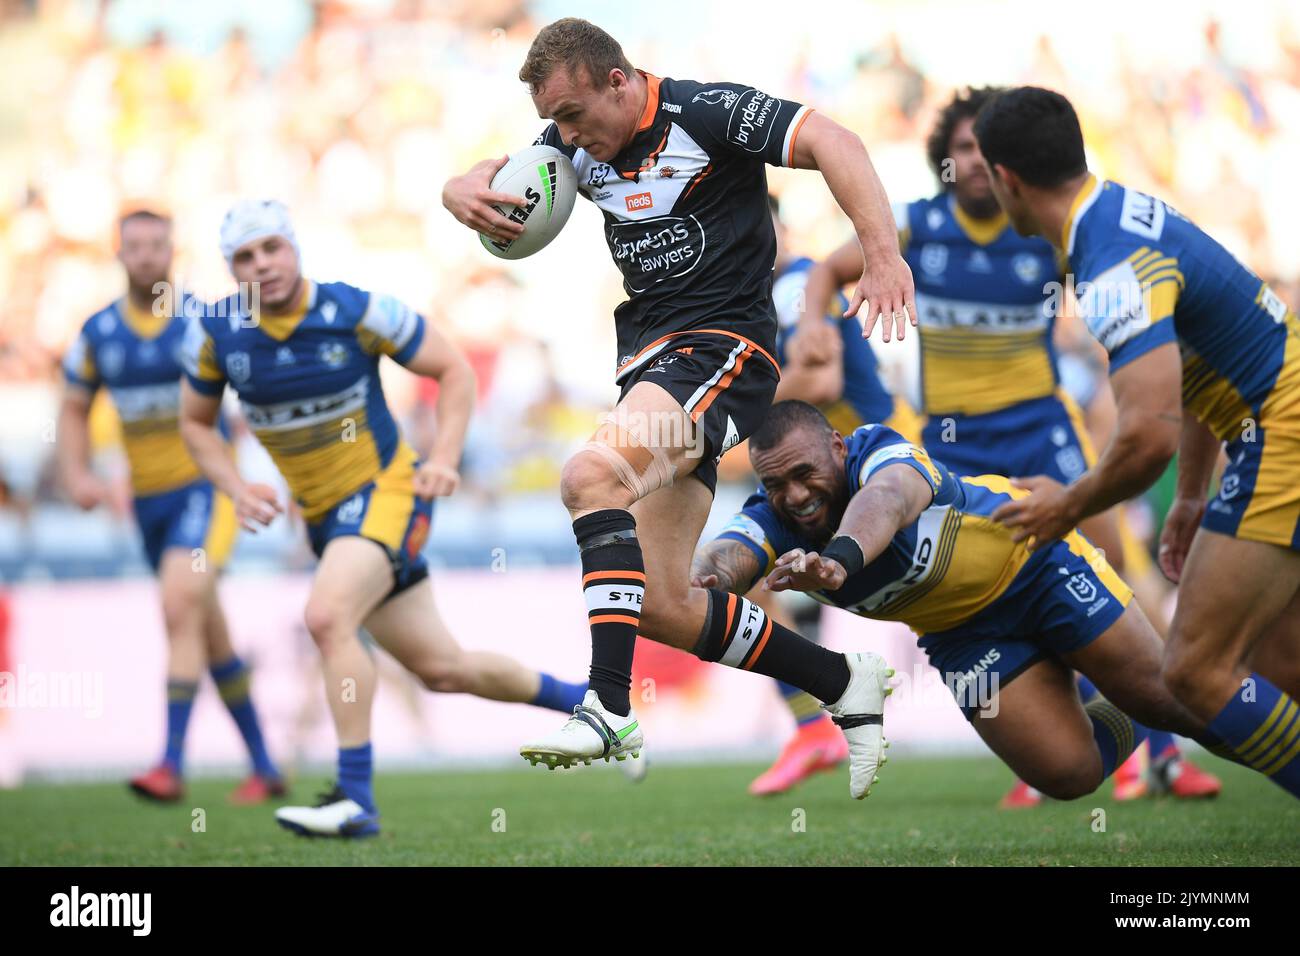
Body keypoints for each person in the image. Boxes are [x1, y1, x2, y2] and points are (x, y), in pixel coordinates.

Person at [442, 18, 915, 798]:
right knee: (662, 602)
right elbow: (495, 171)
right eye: (553, 122)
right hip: (654, 366)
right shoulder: (573, 143)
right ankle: (841, 680)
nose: (562, 136)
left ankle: (607, 705)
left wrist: (881, 253)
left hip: (722, 350)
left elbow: (836, 140)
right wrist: (456, 187)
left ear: (618, 82)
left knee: (590, 478)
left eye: (572, 115)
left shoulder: (706, 113)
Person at [803, 87, 1218, 807]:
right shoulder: (918, 228)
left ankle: (1160, 756)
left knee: (1113, 571)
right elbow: (823, 271)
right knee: (987, 592)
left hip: (1041, 428)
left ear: (1007, 168)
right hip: (955, 446)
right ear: (945, 159)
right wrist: (815, 320)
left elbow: (1107, 291)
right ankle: (1054, 733)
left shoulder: (1043, 230)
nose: (970, 161)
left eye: (980, 149)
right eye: (958, 148)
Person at [179, 200, 589, 837]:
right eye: (244, 257)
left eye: (272, 248)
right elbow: (194, 425)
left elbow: (452, 369)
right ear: (231, 271)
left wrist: (446, 457)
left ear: (294, 248)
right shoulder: (214, 334)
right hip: (326, 522)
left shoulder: (355, 309)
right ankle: (589, 707)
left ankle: (354, 798)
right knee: (442, 669)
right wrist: (234, 485)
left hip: (386, 493)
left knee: (325, 616)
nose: (263, 265)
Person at [974, 86, 1300, 798]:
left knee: (1193, 670)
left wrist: (1069, 506)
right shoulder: (1122, 212)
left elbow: (1145, 434)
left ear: (1007, 181)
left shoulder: (1109, 261)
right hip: (1273, 426)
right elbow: (1192, 373)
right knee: (1280, 666)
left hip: (1284, 431)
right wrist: (1188, 495)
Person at [692, 401, 1267, 799]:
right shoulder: (773, 519)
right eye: (775, 485)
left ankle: (1276, 744)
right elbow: (725, 556)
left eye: (803, 473)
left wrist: (840, 558)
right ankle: (1135, 714)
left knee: (1174, 700)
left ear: (838, 448)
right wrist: (698, 577)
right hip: (962, 638)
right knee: (1068, 775)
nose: (794, 495)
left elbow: (888, 501)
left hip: (1035, 565)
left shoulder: (882, 455)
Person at [59, 210, 284, 805]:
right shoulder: (98, 333)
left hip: (204, 491)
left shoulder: (202, 321)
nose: (146, 256)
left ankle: (170, 764)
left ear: (171, 252)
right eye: (134, 246)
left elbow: (256, 381)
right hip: (148, 503)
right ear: (119, 254)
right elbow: (74, 407)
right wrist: (77, 472)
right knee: (208, 633)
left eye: (157, 245)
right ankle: (265, 767)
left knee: (179, 601)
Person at [747, 195, 922, 796]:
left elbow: (819, 379)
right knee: (763, 577)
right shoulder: (749, 301)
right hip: (819, 479)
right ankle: (814, 724)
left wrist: (723, 413)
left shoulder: (795, 284)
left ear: (779, 227)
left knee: (965, 604)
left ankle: (814, 722)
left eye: (759, 219)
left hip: (871, 465)